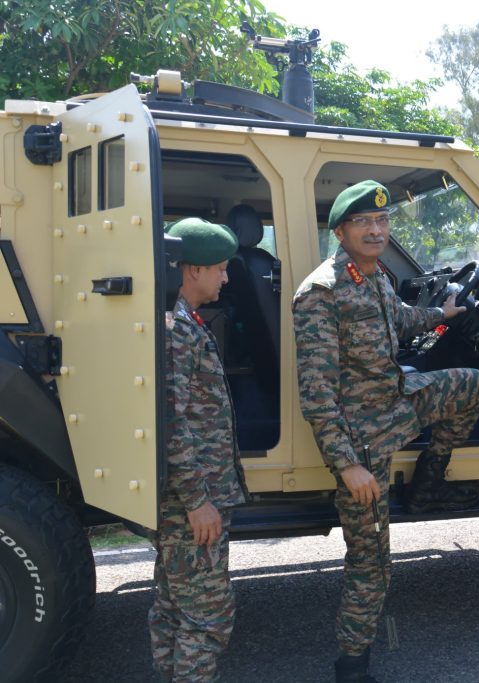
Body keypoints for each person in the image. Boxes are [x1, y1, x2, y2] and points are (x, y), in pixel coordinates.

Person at [292, 180, 479, 683]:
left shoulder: (373, 275)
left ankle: (430, 483)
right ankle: (352, 665)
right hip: (361, 437)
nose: (376, 230)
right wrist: (349, 465)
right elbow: (316, 394)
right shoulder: (321, 292)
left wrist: (440, 315)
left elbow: (398, 320)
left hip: (397, 400)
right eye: (364, 222)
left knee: (474, 384)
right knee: (372, 558)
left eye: (382, 222)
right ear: (341, 231)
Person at [150, 217, 249, 682]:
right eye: (221, 269)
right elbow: (171, 423)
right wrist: (197, 501)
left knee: (172, 609)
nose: (226, 278)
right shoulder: (176, 328)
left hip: (182, 499)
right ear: (193, 270)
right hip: (190, 503)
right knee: (206, 619)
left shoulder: (177, 319)